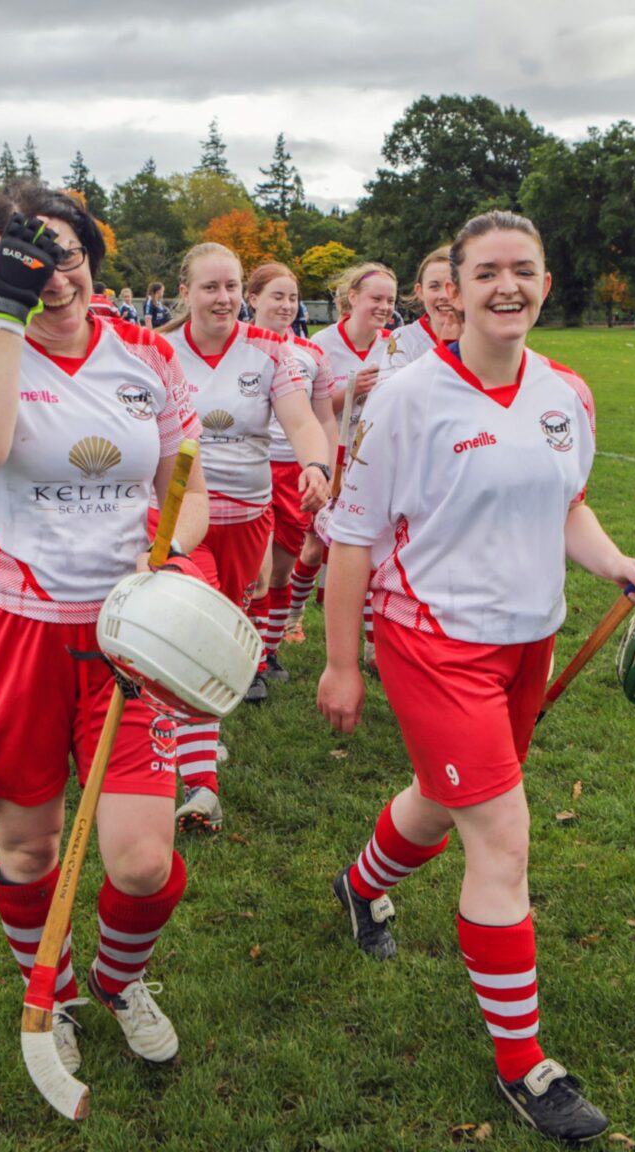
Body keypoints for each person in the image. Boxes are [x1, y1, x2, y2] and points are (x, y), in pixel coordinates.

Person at [319, 211, 635, 1145]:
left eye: (524, 270)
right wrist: (342, 663)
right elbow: (351, 539)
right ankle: (526, 1067)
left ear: (546, 283)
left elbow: (570, 506)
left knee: (449, 800)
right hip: (434, 639)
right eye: (487, 272)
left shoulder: (568, 393)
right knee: (503, 839)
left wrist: (621, 566)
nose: (506, 286)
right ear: (458, 286)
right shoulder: (405, 397)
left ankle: (359, 885)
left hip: (529, 641)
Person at [0, 182, 213, 1074]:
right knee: (30, 845)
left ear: (90, 256)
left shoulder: (146, 357)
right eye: (19, 260)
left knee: (139, 861)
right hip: (12, 632)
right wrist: (3, 317)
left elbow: (189, 490)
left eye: (64, 254)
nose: (51, 276)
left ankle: (119, 979)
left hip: (130, 635)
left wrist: (164, 552)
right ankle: (45, 992)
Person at [158, 241, 332, 834]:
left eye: (232, 286)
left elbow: (303, 421)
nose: (224, 298)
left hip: (248, 518)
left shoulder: (269, 353)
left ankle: (195, 731)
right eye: (210, 287)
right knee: (190, 630)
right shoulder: (158, 352)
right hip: (182, 516)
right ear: (185, 292)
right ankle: (200, 783)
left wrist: (317, 466)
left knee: (228, 629)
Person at [243, 261, 339, 681]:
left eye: (293, 298)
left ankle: (270, 648)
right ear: (253, 299)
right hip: (252, 469)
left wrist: (325, 470)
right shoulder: (238, 348)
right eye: (276, 296)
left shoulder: (313, 353)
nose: (286, 305)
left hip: (297, 474)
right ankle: (248, 659)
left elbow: (325, 420)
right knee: (256, 573)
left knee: (282, 569)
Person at [310, 262, 398, 672]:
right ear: (353, 299)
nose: (384, 307)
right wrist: (351, 390)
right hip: (335, 459)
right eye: (376, 298)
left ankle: (371, 646)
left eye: (390, 300)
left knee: (371, 548)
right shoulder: (322, 344)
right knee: (313, 548)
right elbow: (308, 410)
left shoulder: (394, 345)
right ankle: (291, 618)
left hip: (377, 460)